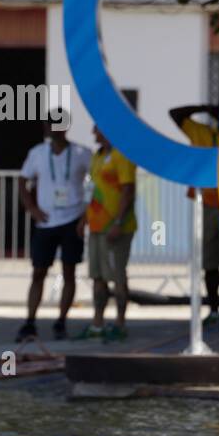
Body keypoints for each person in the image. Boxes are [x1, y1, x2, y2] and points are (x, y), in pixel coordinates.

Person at [18, 114, 92, 341]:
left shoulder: (82, 153)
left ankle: (61, 321)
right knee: (38, 271)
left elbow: (97, 185)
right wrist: (32, 208)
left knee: (69, 271)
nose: (53, 129)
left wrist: (85, 218)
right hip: (46, 220)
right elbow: (22, 180)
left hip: (72, 218)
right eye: (50, 125)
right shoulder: (38, 153)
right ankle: (30, 321)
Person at [171, 104, 219, 328]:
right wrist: (204, 108)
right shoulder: (201, 133)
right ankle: (212, 309)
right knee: (209, 260)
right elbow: (175, 114)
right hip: (207, 203)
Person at [76, 126, 137, 343]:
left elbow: (128, 191)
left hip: (116, 228)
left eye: (97, 129)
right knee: (98, 276)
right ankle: (97, 323)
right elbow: (93, 189)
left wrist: (118, 223)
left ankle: (120, 323)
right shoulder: (98, 156)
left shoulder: (123, 155)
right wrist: (85, 218)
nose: (93, 133)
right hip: (96, 226)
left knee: (117, 276)